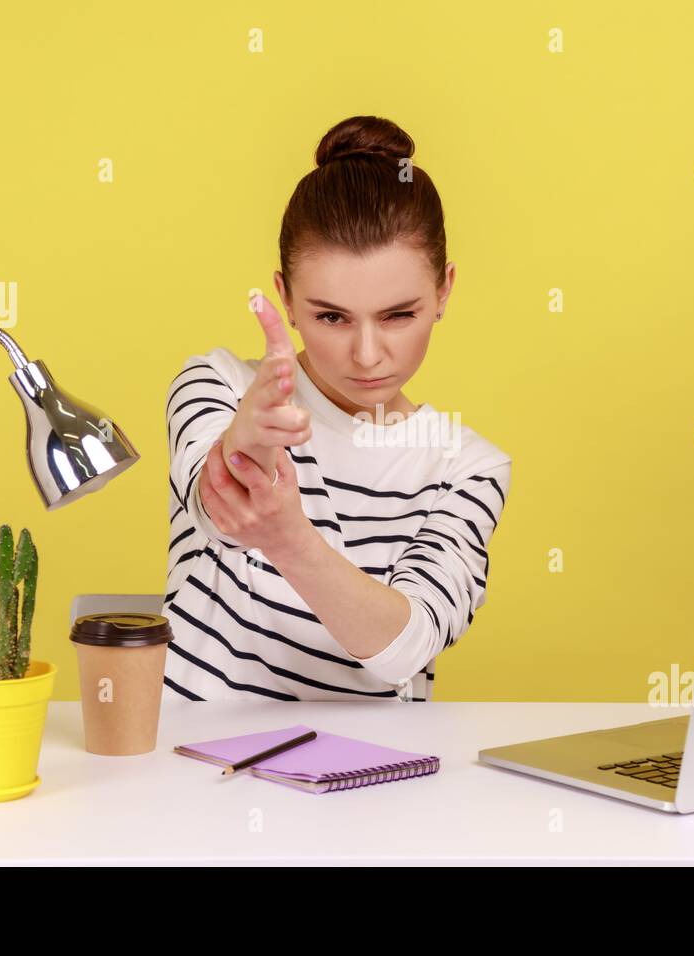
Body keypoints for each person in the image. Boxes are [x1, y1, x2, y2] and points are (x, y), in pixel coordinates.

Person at [163, 115, 512, 702]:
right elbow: (213, 507)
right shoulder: (217, 383)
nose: (368, 355)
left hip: (366, 784)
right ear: (286, 300)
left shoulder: (469, 467)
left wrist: (288, 538)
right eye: (332, 317)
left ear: (444, 291)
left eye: (399, 315)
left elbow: (405, 649)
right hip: (187, 772)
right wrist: (243, 447)